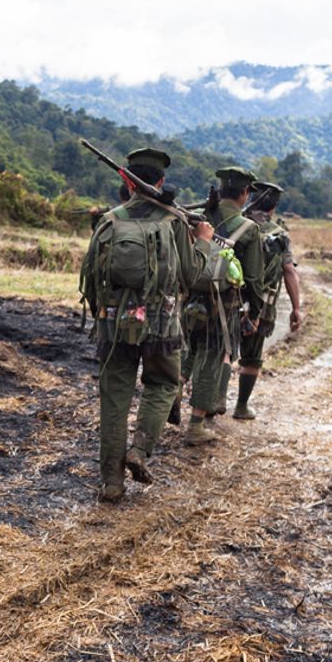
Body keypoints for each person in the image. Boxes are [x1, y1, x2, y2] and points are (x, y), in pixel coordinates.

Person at [80, 147, 207, 501]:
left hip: (113, 322)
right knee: (164, 383)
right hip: (161, 324)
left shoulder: (109, 219)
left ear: (126, 180)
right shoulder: (173, 221)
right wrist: (205, 244)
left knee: (114, 398)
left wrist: (100, 314)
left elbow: (91, 274)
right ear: (161, 181)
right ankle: (140, 449)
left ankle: (111, 482)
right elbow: (192, 275)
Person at [184, 167, 264, 435]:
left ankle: (173, 396)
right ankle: (198, 423)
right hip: (224, 305)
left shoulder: (200, 219)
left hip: (190, 296)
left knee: (189, 350)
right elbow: (253, 277)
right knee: (214, 356)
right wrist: (255, 310)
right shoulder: (248, 228)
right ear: (244, 194)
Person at [233, 181, 303, 419]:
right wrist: (296, 309)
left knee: (220, 352)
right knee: (251, 358)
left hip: (228, 300)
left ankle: (208, 409)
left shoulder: (234, 225)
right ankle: (241, 406)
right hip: (262, 305)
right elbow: (289, 271)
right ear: (274, 207)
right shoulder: (278, 233)